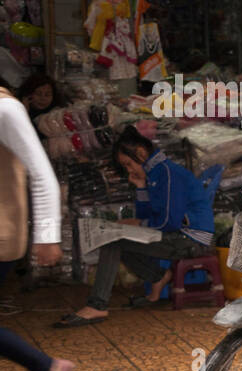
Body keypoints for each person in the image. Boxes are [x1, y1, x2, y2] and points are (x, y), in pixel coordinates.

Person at [55, 126, 215, 327]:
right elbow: (148, 215)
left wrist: (139, 224)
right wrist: (140, 187)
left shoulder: (167, 173)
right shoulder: (156, 173)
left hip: (191, 239)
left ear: (141, 153)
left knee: (112, 242)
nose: (129, 170)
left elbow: (169, 221)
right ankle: (158, 277)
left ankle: (97, 305)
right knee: (119, 240)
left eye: (129, 164)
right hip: (179, 235)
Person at [0, 85, 75, 371]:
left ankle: (49, 367)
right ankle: (49, 367)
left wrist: (47, 234)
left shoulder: (6, 109)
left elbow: (42, 173)